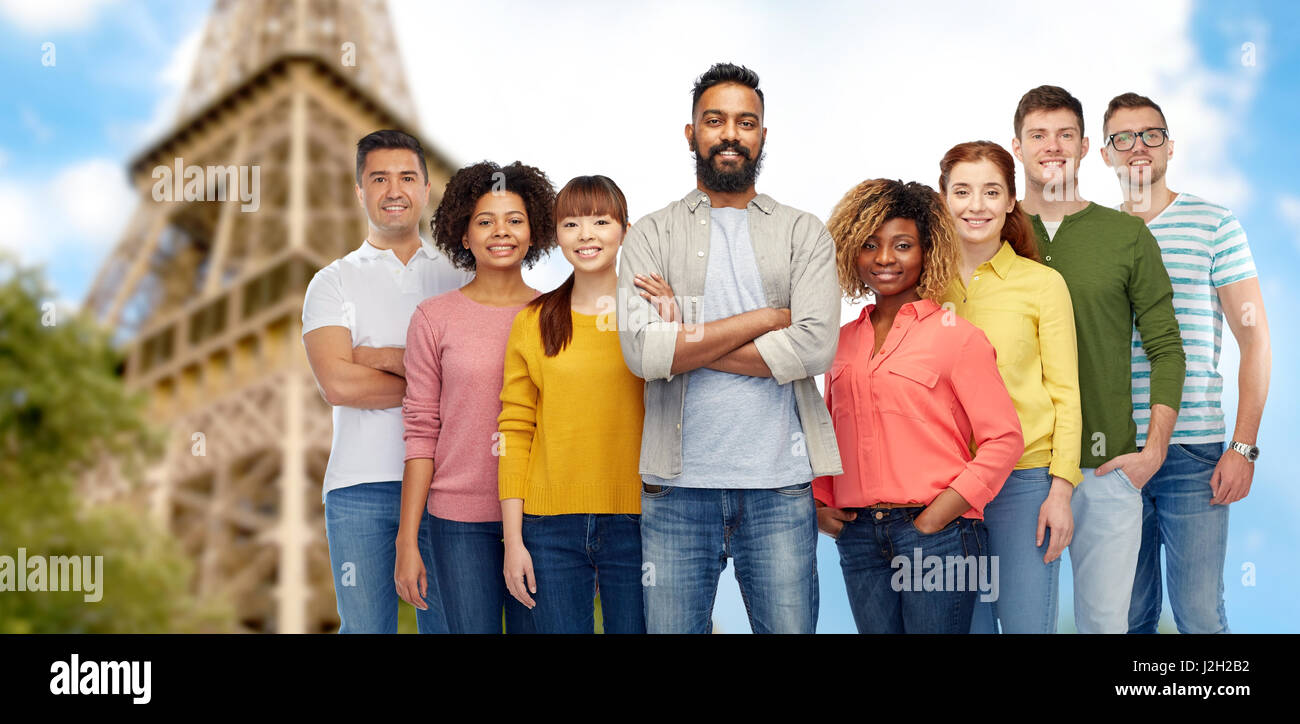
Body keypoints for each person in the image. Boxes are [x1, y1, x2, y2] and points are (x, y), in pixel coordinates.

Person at [615, 62, 843, 634]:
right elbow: (644, 354)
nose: (730, 133)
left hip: (780, 488)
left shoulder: (803, 231)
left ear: (763, 135)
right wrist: (767, 319)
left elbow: (814, 347)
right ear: (691, 133)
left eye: (746, 122)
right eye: (714, 120)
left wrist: (686, 341)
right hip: (676, 491)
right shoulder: (650, 233)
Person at [1010, 85, 1186, 633]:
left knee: (1106, 627)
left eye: (1065, 134)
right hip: (1016, 468)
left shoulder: (1126, 235)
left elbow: (1166, 348)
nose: (1052, 146)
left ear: (1087, 146)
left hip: (1107, 465)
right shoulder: (990, 230)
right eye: (1038, 135)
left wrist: (1152, 452)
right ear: (1017, 146)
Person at [814, 178, 1023, 634]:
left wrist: (938, 514)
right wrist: (820, 501)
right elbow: (826, 431)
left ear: (927, 251)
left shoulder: (957, 337)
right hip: (859, 538)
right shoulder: (839, 344)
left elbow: (1004, 438)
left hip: (938, 535)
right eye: (870, 245)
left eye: (902, 245)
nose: (885, 258)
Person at [1100, 92, 1271, 634]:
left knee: (1198, 614)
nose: (1138, 148)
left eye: (1151, 135)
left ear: (1170, 147)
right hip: (1112, 454)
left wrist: (1242, 447)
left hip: (1194, 451)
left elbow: (1257, 341)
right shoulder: (1092, 234)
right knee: (1125, 616)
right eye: (1122, 138)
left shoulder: (1213, 223)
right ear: (1105, 155)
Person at [302, 129, 468, 633]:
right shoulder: (330, 281)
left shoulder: (460, 276)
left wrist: (377, 358)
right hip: (360, 487)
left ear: (425, 187)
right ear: (359, 191)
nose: (394, 189)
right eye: (379, 178)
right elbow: (339, 385)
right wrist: (436, 383)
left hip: (449, 483)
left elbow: (484, 377)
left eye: (406, 177)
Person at [395, 160, 555, 634]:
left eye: (514, 220)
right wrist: (408, 540)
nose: (500, 232)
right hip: (457, 521)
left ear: (534, 232)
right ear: (463, 236)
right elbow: (422, 432)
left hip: (542, 517)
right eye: (484, 221)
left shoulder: (556, 315)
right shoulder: (433, 317)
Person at [937, 141, 1083, 634]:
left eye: (991, 192)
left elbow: (1066, 392)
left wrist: (1060, 490)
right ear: (943, 200)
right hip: (946, 488)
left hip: (1024, 485)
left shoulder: (1043, 285)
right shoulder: (921, 288)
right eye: (962, 191)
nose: (976, 205)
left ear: (1010, 201)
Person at [497, 175, 647, 634]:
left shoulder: (653, 313)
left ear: (625, 228)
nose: (586, 234)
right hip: (549, 528)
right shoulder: (533, 322)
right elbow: (514, 430)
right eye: (572, 223)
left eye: (601, 220)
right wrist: (513, 540)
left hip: (641, 521)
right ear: (557, 234)